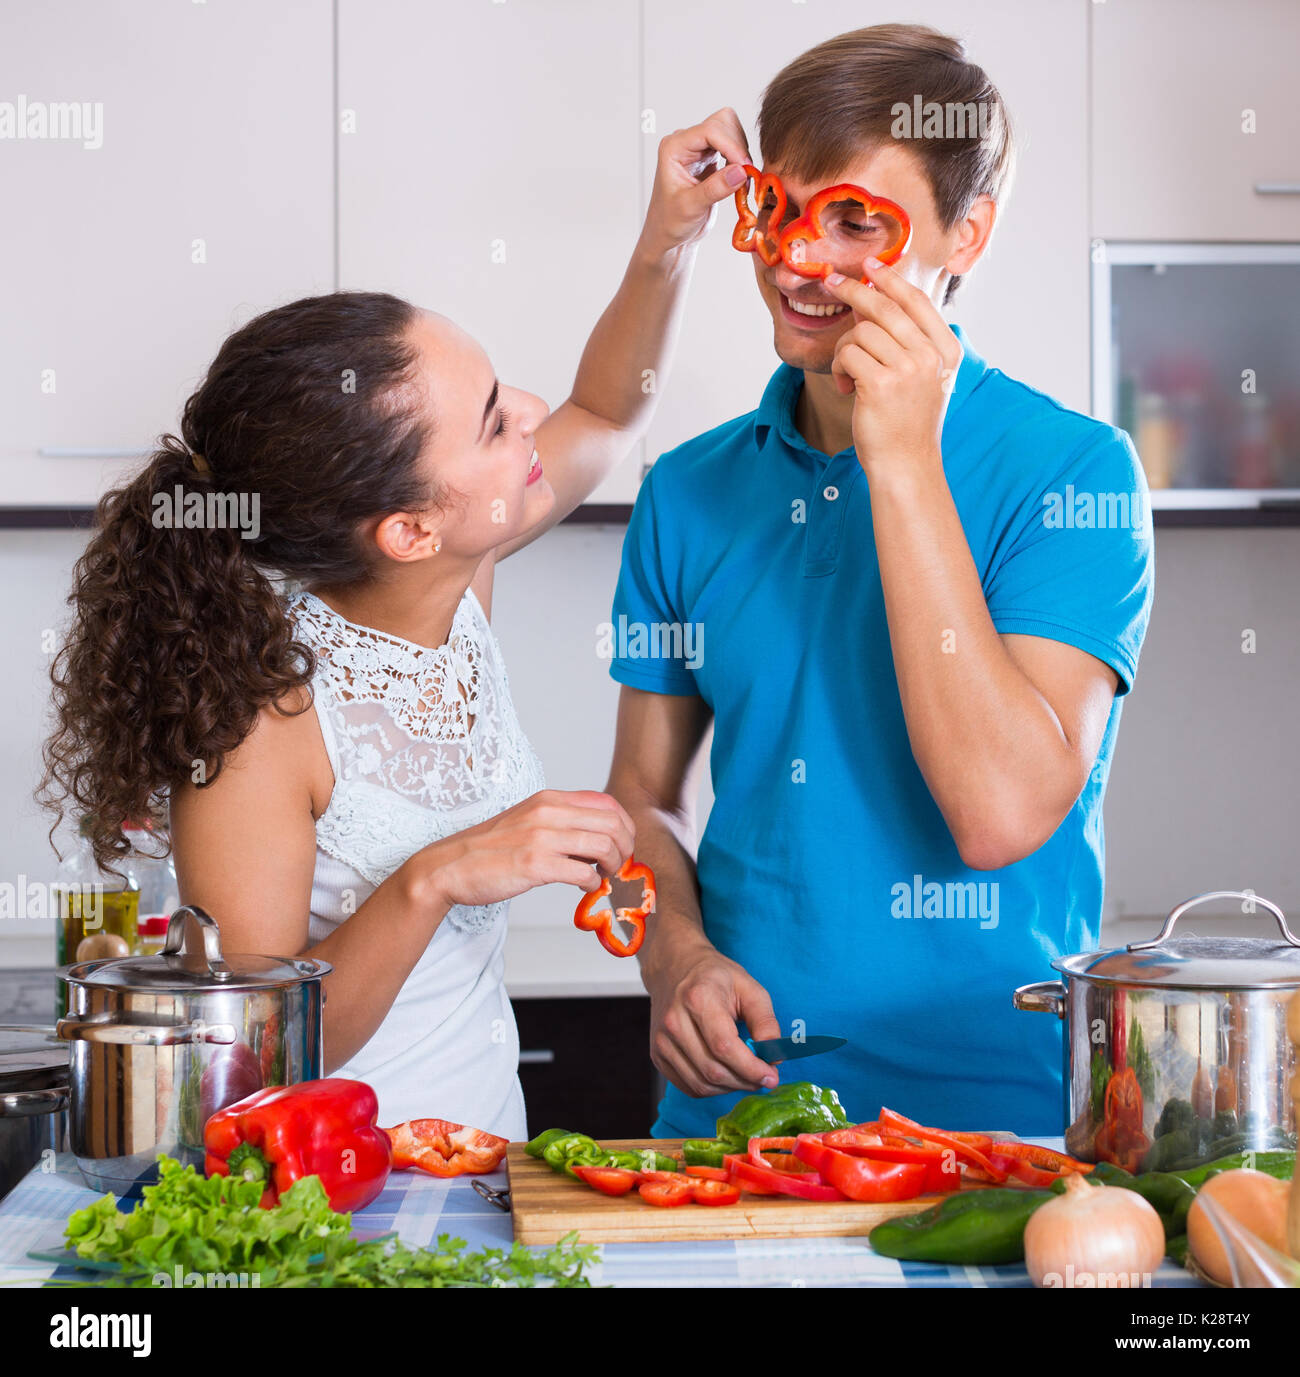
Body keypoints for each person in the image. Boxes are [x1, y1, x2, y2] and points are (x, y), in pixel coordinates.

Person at [39, 109, 754, 1140]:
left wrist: (667, 238)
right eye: (495, 423)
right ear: (410, 528)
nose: (535, 415)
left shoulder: (459, 590)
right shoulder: (259, 720)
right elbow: (262, 1062)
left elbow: (606, 412)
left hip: (481, 1158)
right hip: (338, 1201)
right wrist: (440, 874)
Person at [604, 25, 1155, 1138]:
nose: (801, 262)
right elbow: (639, 804)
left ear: (967, 234)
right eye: (783, 210)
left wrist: (899, 461)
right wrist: (673, 958)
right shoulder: (687, 492)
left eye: (856, 222)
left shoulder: (1076, 475)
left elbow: (1000, 814)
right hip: (734, 1118)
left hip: (1001, 1125)